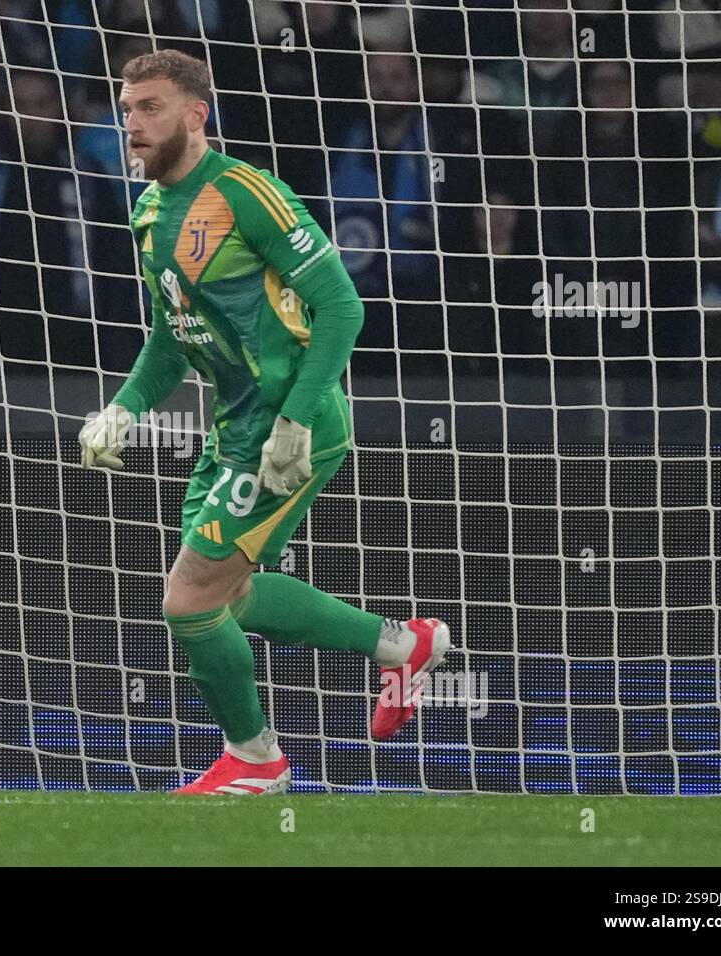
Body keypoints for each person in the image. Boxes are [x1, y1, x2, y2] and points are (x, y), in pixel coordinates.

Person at [78, 50, 452, 796]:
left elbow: (343, 307)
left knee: (188, 600)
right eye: (126, 109)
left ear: (196, 113)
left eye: (150, 107)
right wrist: (123, 407)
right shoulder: (149, 212)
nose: (133, 124)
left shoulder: (250, 195)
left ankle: (258, 762)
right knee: (232, 595)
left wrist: (296, 422)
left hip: (296, 423)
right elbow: (169, 339)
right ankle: (402, 645)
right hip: (235, 428)